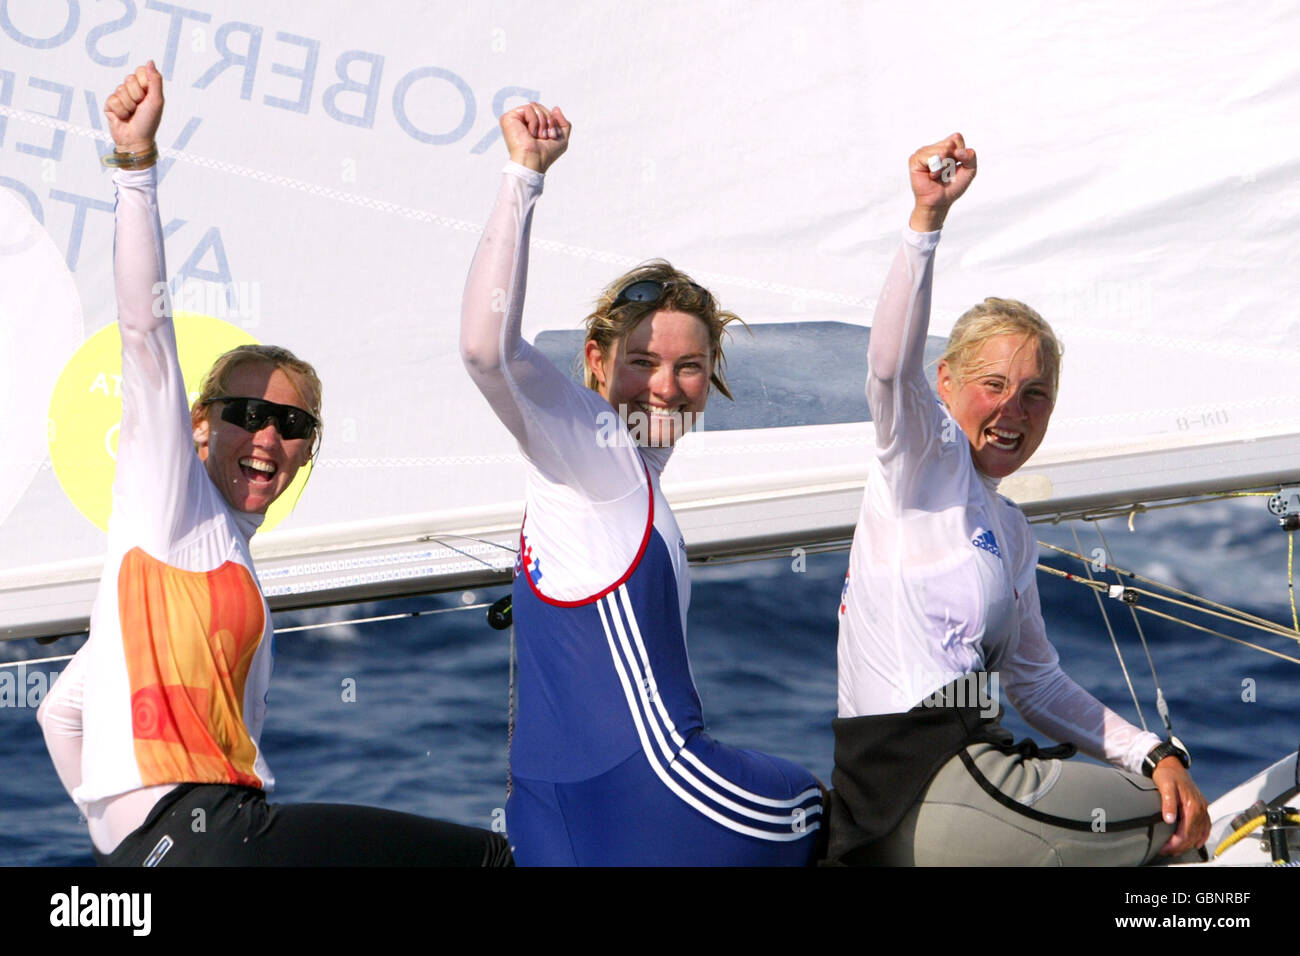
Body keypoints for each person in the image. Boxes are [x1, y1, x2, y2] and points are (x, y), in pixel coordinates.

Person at [36, 62, 511, 867]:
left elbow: (59, 713)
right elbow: (144, 334)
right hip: (213, 831)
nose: (266, 437)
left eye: (291, 424)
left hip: (156, 854)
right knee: (491, 863)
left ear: (309, 447)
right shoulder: (167, 501)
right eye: (246, 414)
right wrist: (136, 169)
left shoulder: (213, 552)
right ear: (197, 426)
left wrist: (126, 850)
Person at [826, 133, 1211, 866]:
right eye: (994, 386)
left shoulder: (1009, 530)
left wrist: (1152, 754)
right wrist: (926, 221)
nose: (1014, 410)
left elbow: (1036, 683)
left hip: (973, 775)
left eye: (1036, 394)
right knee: (1177, 835)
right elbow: (885, 367)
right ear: (946, 383)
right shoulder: (915, 465)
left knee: (1159, 799)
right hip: (921, 784)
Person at [460, 102, 823, 865]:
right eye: (641, 364)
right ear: (595, 361)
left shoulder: (593, 477)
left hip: (545, 820)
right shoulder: (595, 449)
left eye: (688, 367)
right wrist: (523, 176)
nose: (665, 387)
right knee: (843, 816)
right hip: (661, 793)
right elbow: (486, 351)